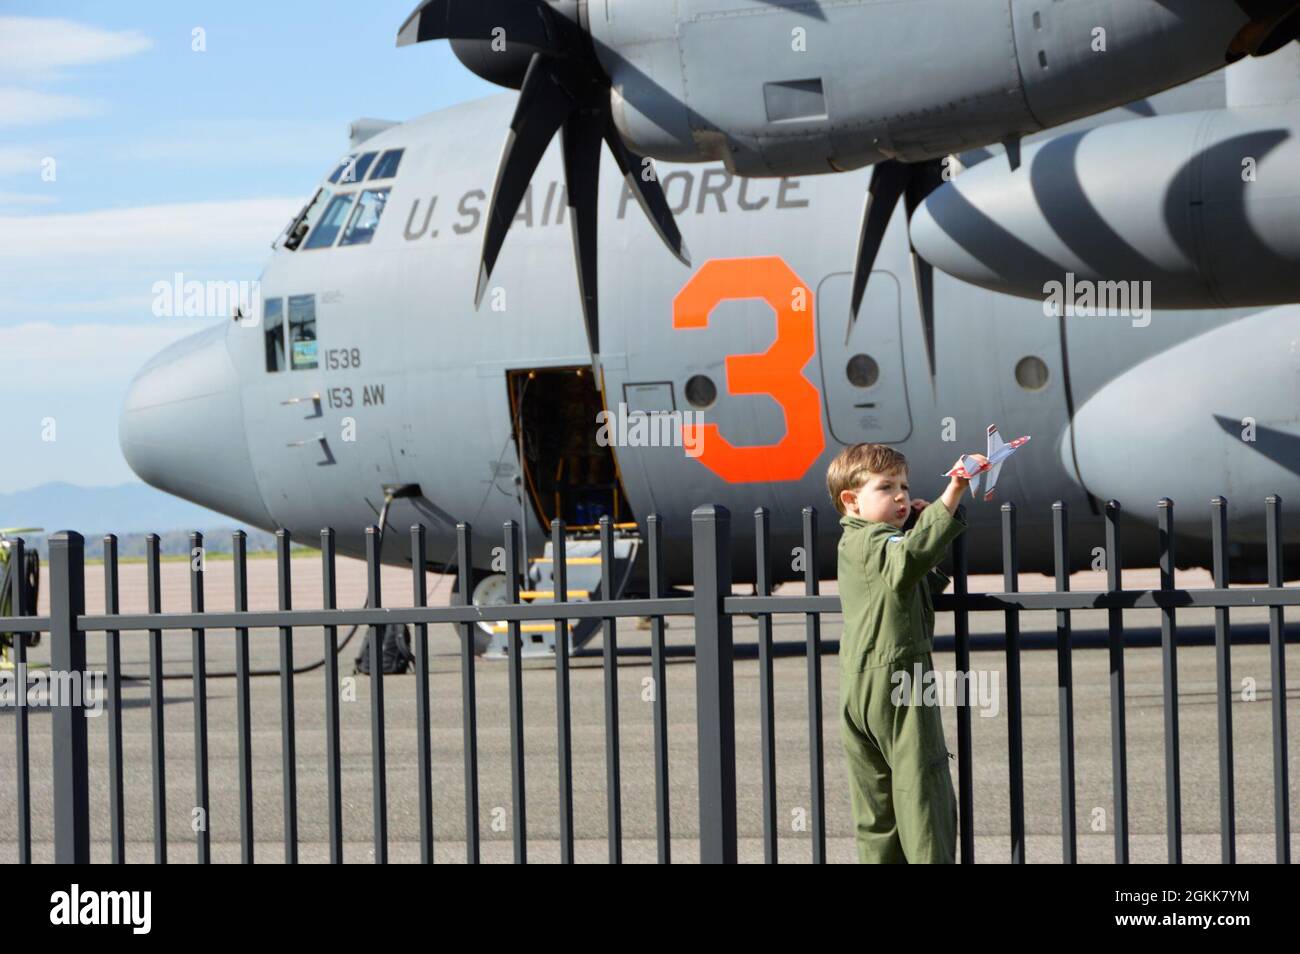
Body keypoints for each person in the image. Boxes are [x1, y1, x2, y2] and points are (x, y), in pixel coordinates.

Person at [827, 442, 985, 863]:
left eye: (904, 486)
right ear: (851, 500)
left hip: (857, 688)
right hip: (899, 679)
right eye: (885, 487)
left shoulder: (853, 546)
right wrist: (952, 494)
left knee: (876, 812)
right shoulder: (878, 540)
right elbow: (909, 559)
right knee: (922, 790)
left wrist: (934, 523)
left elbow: (920, 580)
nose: (900, 495)